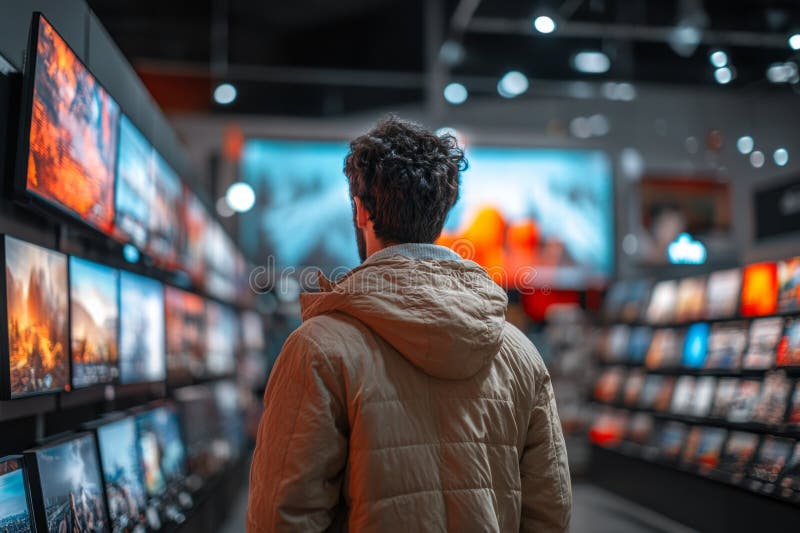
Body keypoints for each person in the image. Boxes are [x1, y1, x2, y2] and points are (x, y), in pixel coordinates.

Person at [247, 116, 571, 532]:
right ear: (442, 214)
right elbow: (551, 512)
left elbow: (282, 517)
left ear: (361, 211)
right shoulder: (519, 353)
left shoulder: (316, 349)